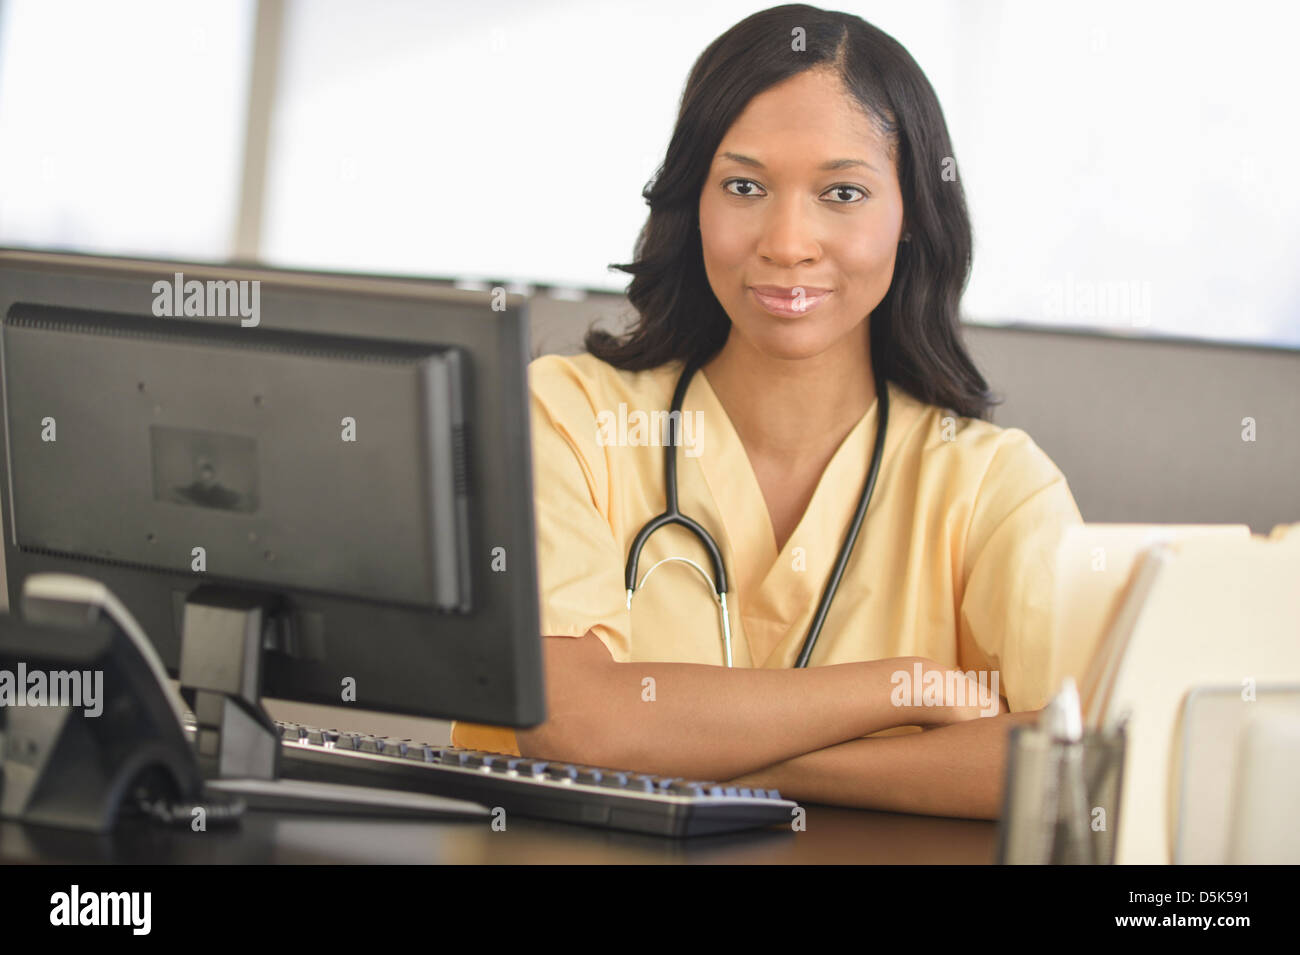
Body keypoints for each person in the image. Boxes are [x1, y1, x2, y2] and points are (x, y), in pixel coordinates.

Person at [452, 4, 1082, 819]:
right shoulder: (562, 417)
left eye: (843, 191)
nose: (788, 241)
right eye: (744, 186)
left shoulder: (994, 484)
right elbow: (575, 723)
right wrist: (900, 687)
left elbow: (1076, 755)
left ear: (913, 220)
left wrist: (739, 767)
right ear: (693, 203)